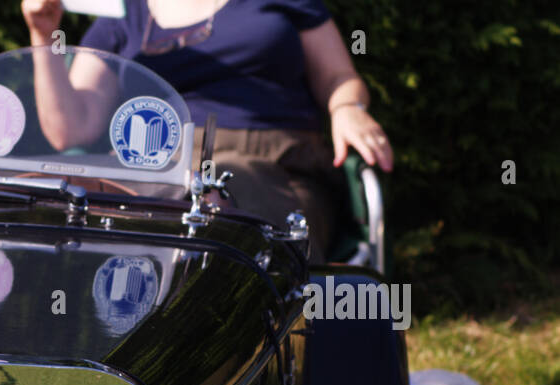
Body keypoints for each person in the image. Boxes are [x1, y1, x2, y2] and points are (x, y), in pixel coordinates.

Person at [20, 0, 393, 251]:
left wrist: (347, 107)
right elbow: (71, 128)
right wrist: (43, 34)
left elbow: (338, 75)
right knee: (45, 188)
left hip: (270, 164)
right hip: (154, 168)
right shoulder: (124, 14)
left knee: (217, 209)